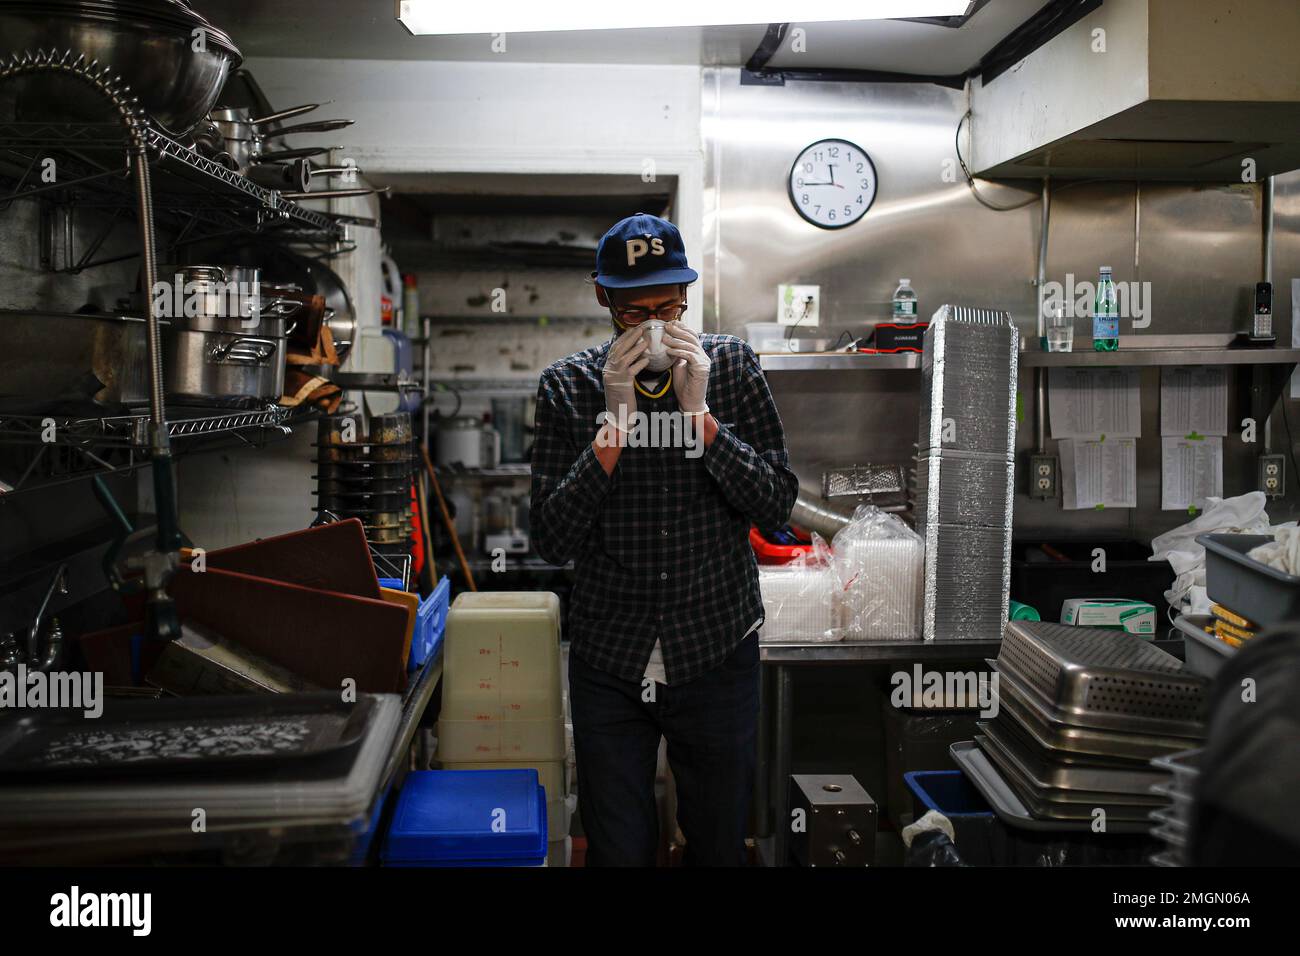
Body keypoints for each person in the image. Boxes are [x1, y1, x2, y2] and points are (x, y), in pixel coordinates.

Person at [530, 212, 798, 866]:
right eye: (634, 312)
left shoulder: (729, 367)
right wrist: (614, 425)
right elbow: (550, 539)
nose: (654, 326)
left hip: (715, 648)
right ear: (603, 298)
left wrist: (701, 418)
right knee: (619, 850)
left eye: (669, 306)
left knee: (716, 845)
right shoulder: (566, 387)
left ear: (687, 295)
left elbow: (775, 507)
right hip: (610, 659)